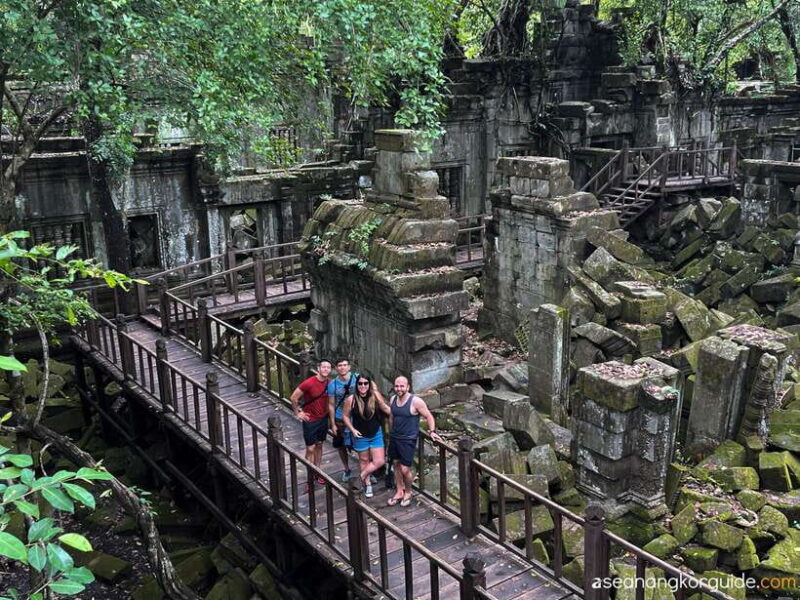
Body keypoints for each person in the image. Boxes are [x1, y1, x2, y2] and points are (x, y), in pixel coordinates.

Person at [387, 376, 441, 507]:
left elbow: (428, 416)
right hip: (395, 437)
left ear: (408, 387)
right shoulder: (393, 399)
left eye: (402, 386)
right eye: (397, 386)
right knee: (395, 464)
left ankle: (408, 491)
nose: (399, 389)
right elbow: (391, 417)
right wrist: (390, 433)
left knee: (405, 468)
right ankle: (399, 490)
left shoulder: (416, 401)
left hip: (408, 440)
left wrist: (432, 431)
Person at [342, 374, 391, 498]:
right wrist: (352, 430)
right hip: (360, 435)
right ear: (356, 385)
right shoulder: (351, 399)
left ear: (369, 385)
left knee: (379, 461)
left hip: (375, 433)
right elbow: (345, 416)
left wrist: (401, 414)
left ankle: (360, 478)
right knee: (364, 460)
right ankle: (367, 484)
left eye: (365, 383)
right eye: (360, 383)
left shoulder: (374, 395)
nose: (363, 386)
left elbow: (384, 407)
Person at [290, 359, 332, 487]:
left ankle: (317, 472)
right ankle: (310, 476)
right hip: (310, 419)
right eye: (323, 367)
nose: (325, 369)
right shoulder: (309, 383)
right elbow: (294, 397)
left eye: (328, 367)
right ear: (318, 368)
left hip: (323, 419)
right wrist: (298, 413)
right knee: (310, 448)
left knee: (319, 444)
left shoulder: (330, 383)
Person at [328, 358, 357, 481]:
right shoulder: (333, 384)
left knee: (361, 443)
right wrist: (333, 424)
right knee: (341, 445)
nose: (342, 367)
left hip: (356, 417)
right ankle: (346, 469)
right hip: (340, 418)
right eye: (340, 365)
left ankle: (368, 471)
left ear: (349, 367)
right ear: (336, 368)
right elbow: (331, 405)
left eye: (345, 365)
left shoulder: (357, 378)